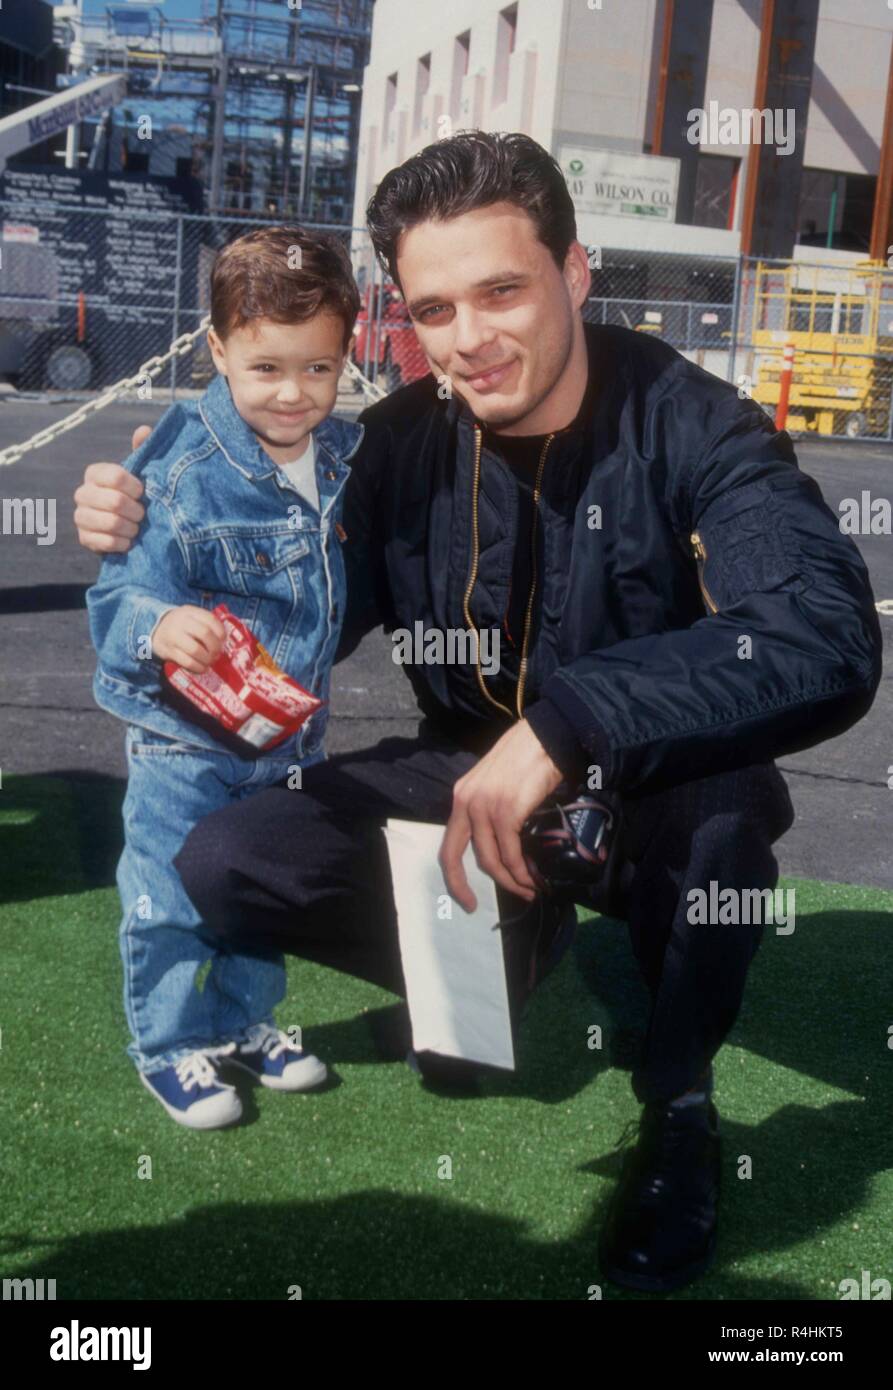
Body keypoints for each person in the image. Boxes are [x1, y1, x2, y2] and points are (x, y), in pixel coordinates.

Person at [74, 132, 882, 1290]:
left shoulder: (697, 423)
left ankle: (681, 1108)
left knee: (722, 827)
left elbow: (823, 631)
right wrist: (149, 536)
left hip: (652, 779)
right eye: (435, 307)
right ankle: (509, 943)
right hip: (465, 771)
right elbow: (285, 593)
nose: (469, 338)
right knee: (230, 854)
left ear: (575, 271)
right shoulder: (399, 440)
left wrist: (570, 725)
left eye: (501, 290)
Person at [85, 225, 364, 1129]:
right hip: (182, 739)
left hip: (286, 733)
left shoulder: (349, 457)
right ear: (217, 350)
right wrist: (160, 624)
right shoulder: (177, 467)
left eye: (318, 370)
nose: (293, 395)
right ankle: (168, 1046)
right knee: (166, 897)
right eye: (267, 369)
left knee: (257, 890)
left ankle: (244, 1019)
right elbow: (114, 599)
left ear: (345, 355)